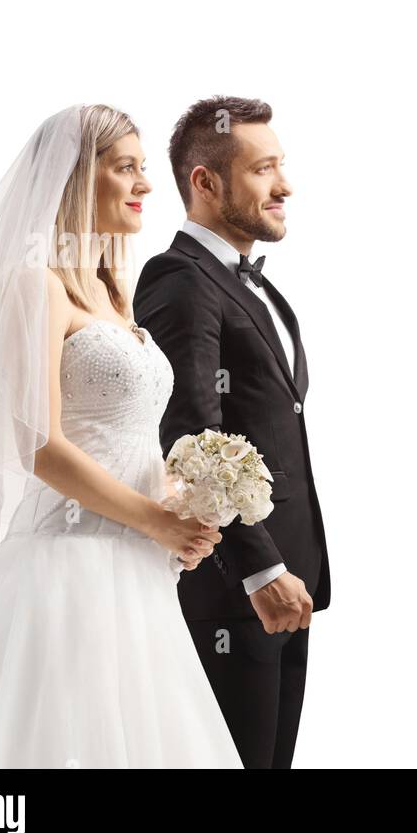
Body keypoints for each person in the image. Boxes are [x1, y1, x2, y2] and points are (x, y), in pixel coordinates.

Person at [0, 104, 242, 768]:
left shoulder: (119, 297)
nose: (145, 183)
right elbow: (39, 444)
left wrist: (180, 503)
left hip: (140, 574)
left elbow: (121, 432)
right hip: (67, 564)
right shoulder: (36, 287)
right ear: (78, 180)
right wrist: (152, 519)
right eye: (126, 168)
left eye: (146, 168)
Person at [134, 96, 330, 769]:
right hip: (234, 589)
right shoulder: (179, 279)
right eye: (263, 169)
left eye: (282, 166)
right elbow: (186, 432)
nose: (285, 185)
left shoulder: (244, 282)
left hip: (286, 586)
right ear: (206, 182)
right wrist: (260, 568)